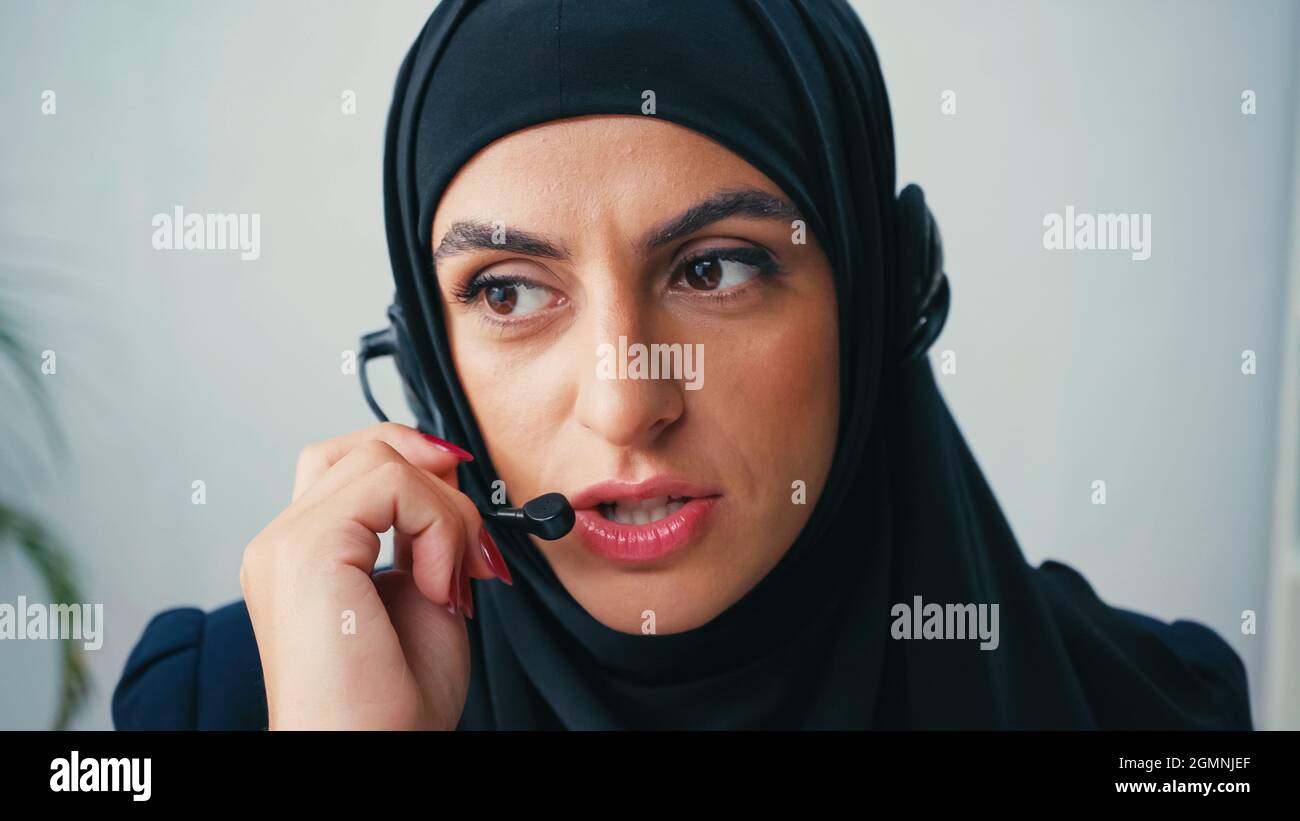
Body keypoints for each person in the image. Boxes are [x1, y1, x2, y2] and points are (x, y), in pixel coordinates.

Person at [113, 0, 1252, 730]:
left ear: (878, 293)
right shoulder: (212, 706)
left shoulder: (1162, 720)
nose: (625, 401)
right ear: (428, 359)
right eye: (507, 290)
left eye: (715, 269)